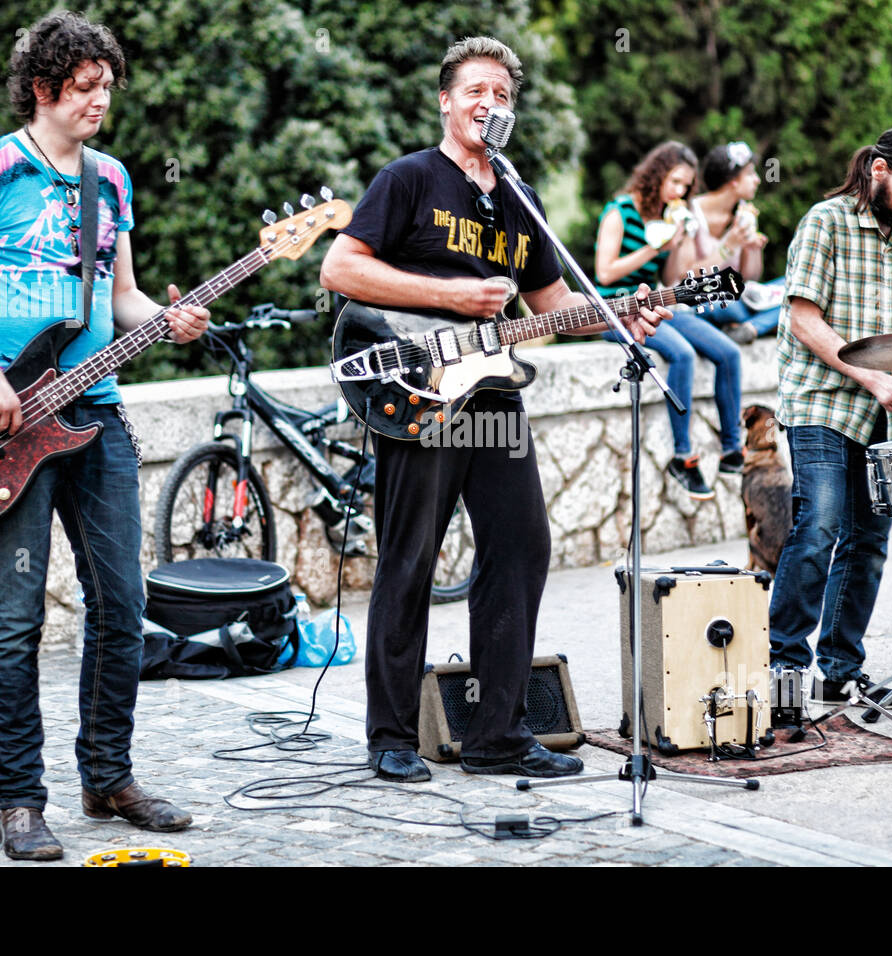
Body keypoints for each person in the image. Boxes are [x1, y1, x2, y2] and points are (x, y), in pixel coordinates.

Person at [0, 12, 207, 860]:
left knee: (125, 605)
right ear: (43, 88)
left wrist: (170, 319)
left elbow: (123, 300)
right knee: (14, 619)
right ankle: (21, 801)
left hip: (95, 413)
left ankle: (108, 777)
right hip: (5, 424)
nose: (100, 103)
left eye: (107, 87)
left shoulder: (110, 181)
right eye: (84, 89)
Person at [320, 36, 666, 783]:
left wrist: (622, 313)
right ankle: (391, 736)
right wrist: (449, 296)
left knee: (520, 548)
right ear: (446, 100)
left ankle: (496, 736)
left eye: (503, 95)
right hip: (420, 392)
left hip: (496, 396)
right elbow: (340, 267)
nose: (489, 104)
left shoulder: (519, 197)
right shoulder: (409, 179)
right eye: (476, 90)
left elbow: (554, 304)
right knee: (409, 559)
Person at [769, 123, 892, 706]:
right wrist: (868, 376)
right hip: (821, 399)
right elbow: (804, 318)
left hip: (878, 403)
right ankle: (785, 668)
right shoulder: (824, 221)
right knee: (820, 524)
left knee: (869, 541)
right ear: (878, 169)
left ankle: (840, 669)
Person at [593, 142, 744, 498]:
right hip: (614, 310)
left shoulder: (667, 218)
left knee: (728, 353)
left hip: (655, 301)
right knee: (683, 354)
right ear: (656, 174)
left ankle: (732, 450)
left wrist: (680, 242)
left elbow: (675, 279)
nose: (679, 192)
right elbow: (605, 272)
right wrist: (653, 249)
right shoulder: (620, 212)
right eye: (675, 182)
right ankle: (683, 456)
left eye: (686, 187)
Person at [683, 142, 783, 344]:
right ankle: (759, 323)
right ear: (732, 181)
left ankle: (750, 328)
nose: (757, 180)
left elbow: (750, 277)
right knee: (731, 305)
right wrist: (729, 245)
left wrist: (752, 249)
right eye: (750, 174)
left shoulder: (745, 213)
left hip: (737, 297)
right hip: (699, 299)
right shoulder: (689, 213)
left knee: (797, 287)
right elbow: (685, 276)